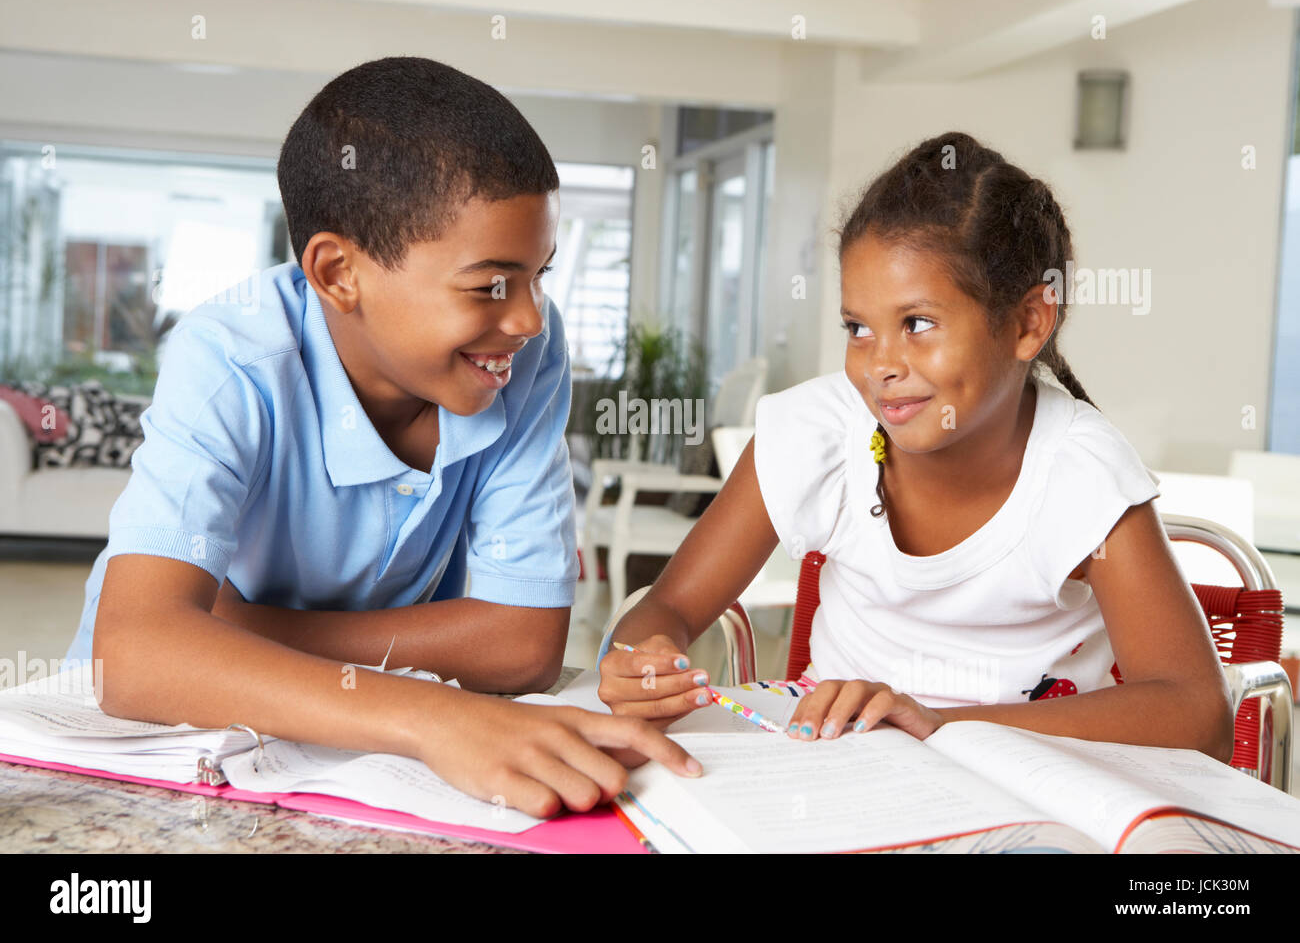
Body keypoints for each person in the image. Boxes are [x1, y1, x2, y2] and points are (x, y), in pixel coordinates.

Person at [66, 56, 700, 819]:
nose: (530, 316)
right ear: (338, 274)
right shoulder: (232, 358)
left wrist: (235, 634)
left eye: (540, 275)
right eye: (491, 284)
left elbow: (522, 646)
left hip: (344, 756)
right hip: (153, 750)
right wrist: (430, 713)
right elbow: (134, 654)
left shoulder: (522, 354)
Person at [597, 132, 1235, 762]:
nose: (881, 365)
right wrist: (640, 658)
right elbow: (670, 606)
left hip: (1022, 776)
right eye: (858, 328)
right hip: (835, 765)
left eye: (918, 324)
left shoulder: (1082, 475)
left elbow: (1197, 710)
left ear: (1028, 323)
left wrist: (938, 724)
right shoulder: (816, 433)